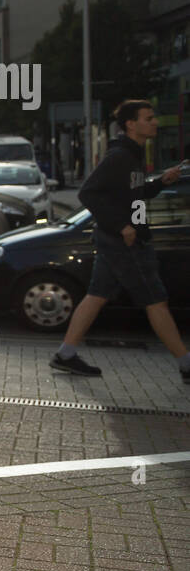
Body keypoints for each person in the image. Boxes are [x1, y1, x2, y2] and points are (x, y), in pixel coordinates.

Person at [50, 101, 187, 382]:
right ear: (131, 124)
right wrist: (121, 226)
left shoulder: (133, 155)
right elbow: (88, 193)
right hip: (124, 242)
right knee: (156, 300)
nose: (155, 122)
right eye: (148, 118)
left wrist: (162, 181)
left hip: (117, 239)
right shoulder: (120, 157)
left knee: (97, 295)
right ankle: (186, 364)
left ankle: (65, 354)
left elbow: (135, 193)